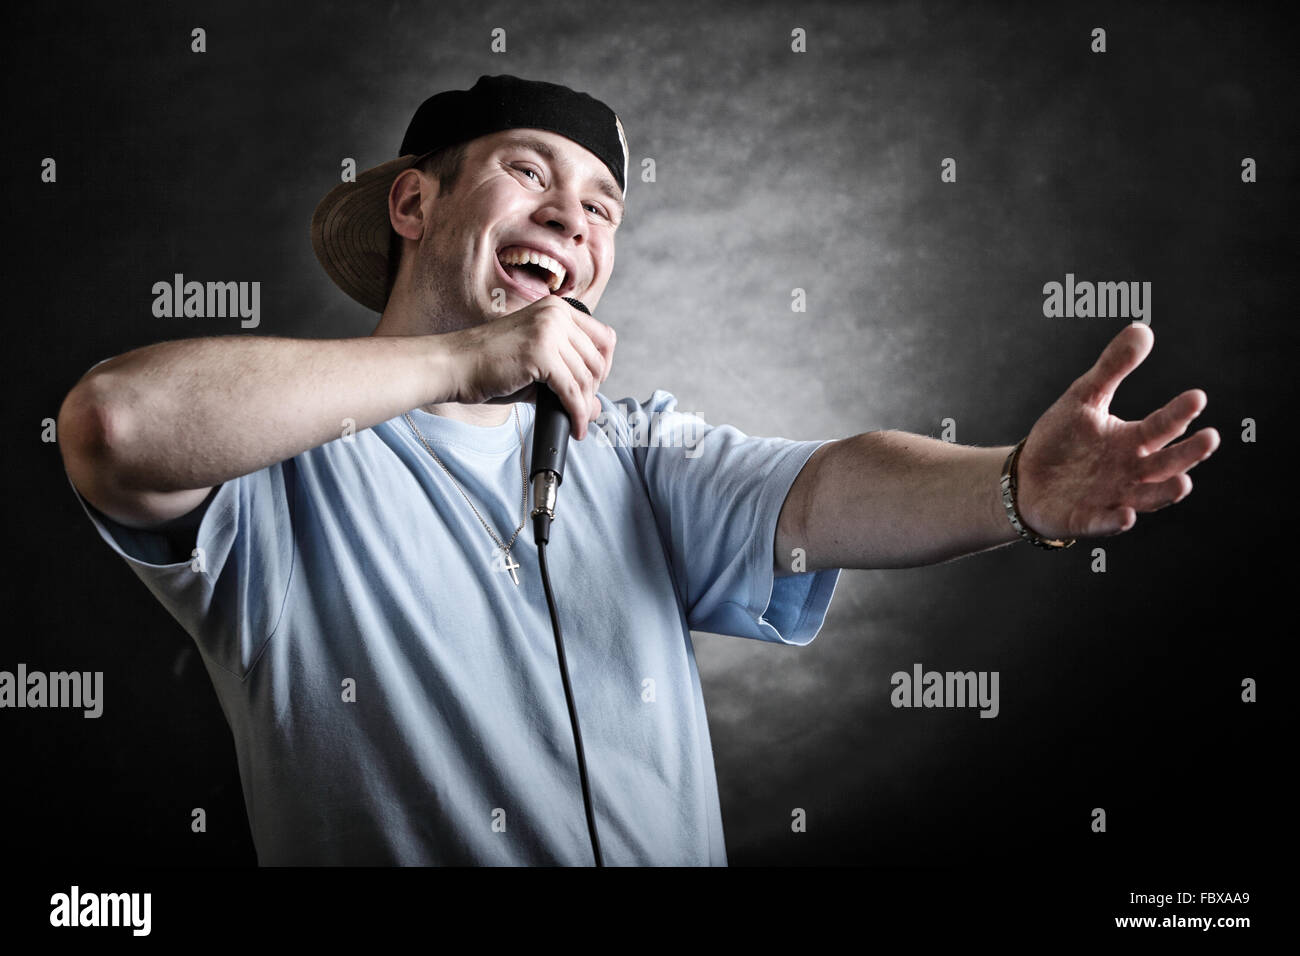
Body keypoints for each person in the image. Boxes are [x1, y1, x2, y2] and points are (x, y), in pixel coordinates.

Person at [56, 75, 1219, 866]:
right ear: (414, 201)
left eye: (602, 205)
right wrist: (462, 359)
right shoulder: (277, 469)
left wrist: (1013, 485)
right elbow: (113, 422)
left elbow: (822, 488)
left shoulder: (635, 448)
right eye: (528, 172)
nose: (572, 216)